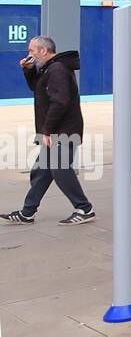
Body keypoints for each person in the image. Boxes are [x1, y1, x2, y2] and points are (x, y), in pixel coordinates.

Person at [3, 36, 94, 225]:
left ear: (43, 50)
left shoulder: (58, 69)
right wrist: (28, 71)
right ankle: (27, 213)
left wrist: (47, 130)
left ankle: (85, 209)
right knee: (41, 171)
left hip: (63, 131)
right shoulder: (50, 68)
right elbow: (36, 88)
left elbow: (59, 102)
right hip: (57, 131)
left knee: (60, 169)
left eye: (32, 51)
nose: (30, 54)